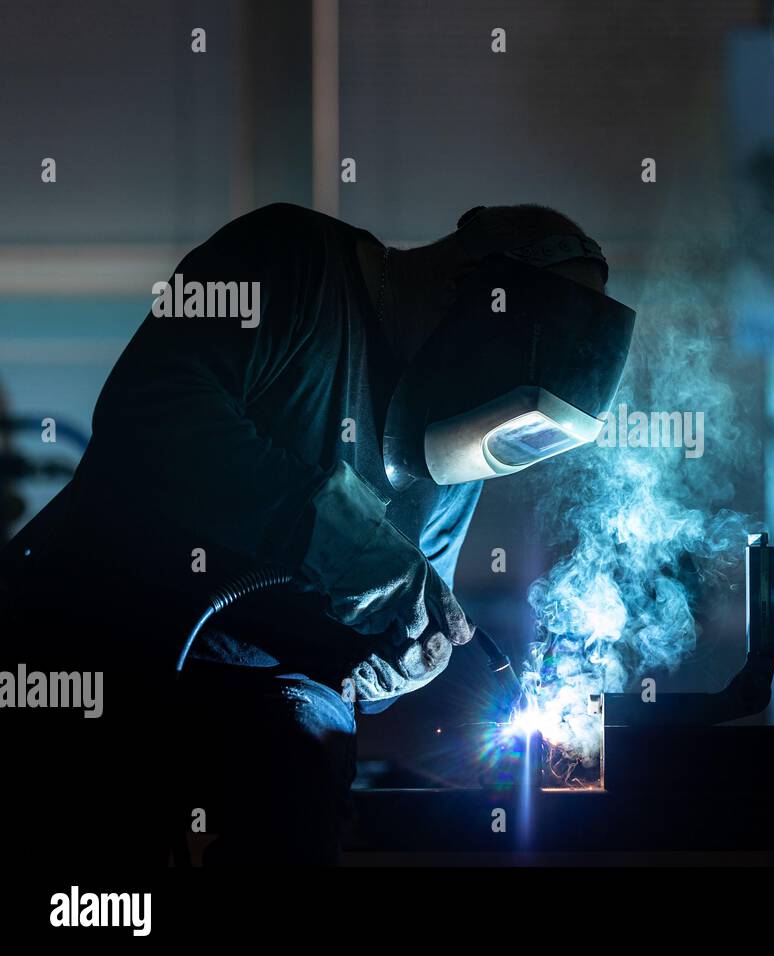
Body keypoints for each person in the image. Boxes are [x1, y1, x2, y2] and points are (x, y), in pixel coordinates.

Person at [0, 202, 631, 864]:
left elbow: (400, 619)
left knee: (304, 773)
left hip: (264, 697)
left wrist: (397, 664)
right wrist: (319, 524)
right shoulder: (287, 260)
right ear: (464, 291)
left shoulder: (457, 440)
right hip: (88, 640)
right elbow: (152, 415)